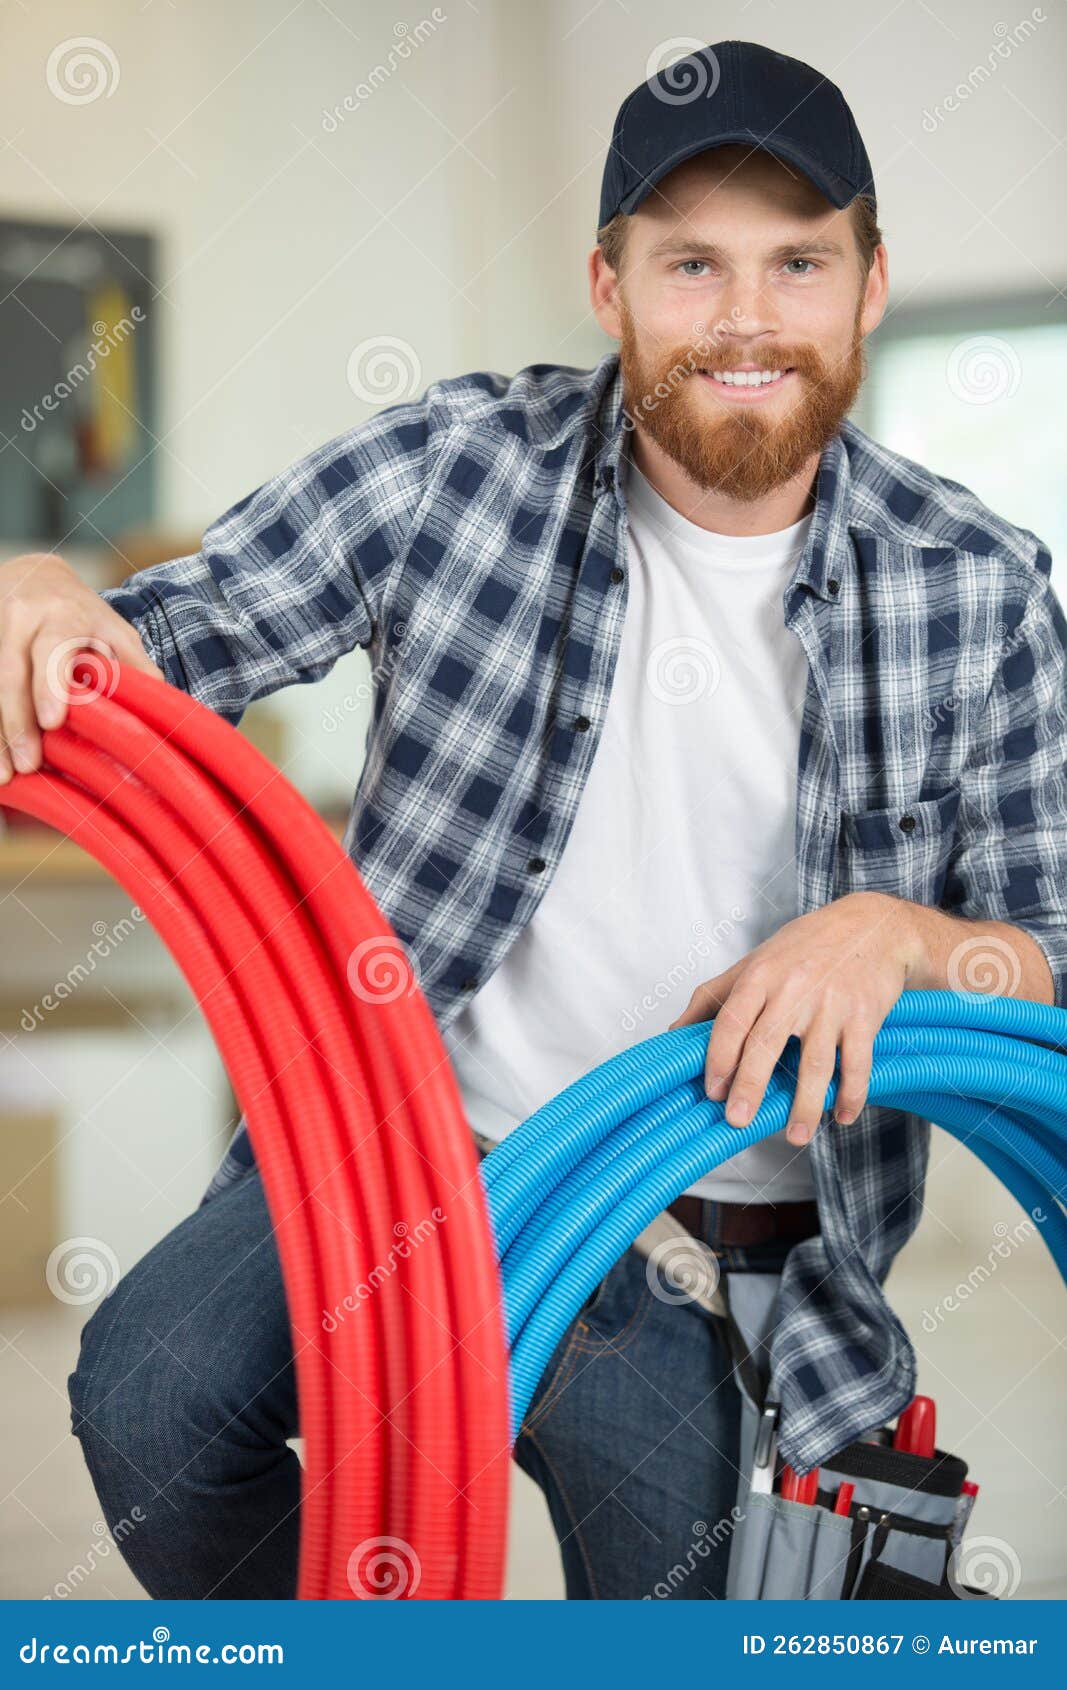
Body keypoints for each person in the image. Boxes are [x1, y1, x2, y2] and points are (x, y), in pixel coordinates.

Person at [2, 41, 1065, 1600]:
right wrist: (45, 589)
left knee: (691, 1618)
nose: (749, 316)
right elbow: (177, 631)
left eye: (799, 262)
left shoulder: (977, 583)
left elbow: (1047, 958)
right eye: (691, 263)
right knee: (150, 1401)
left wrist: (902, 937)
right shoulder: (458, 466)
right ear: (609, 283)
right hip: (419, 1157)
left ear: (872, 284)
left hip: (735, 1253)